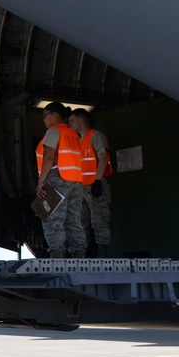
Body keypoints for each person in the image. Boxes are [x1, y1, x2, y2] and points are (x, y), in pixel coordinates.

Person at [35, 102, 86, 258]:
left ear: (55, 115)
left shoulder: (53, 131)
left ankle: (56, 255)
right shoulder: (74, 134)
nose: (43, 120)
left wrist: (40, 182)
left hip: (58, 177)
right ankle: (78, 254)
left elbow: (49, 157)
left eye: (45, 115)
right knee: (74, 218)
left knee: (52, 216)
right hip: (76, 181)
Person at [69, 108, 113, 257]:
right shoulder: (78, 140)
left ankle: (102, 257)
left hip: (95, 186)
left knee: (100, 221)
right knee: (82, 222)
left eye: (72, 121)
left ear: (81, 121)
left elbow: (102, 159)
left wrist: (98, 181)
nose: (70, 124)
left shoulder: (95, 136)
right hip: (82, 189)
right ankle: (87, 255)